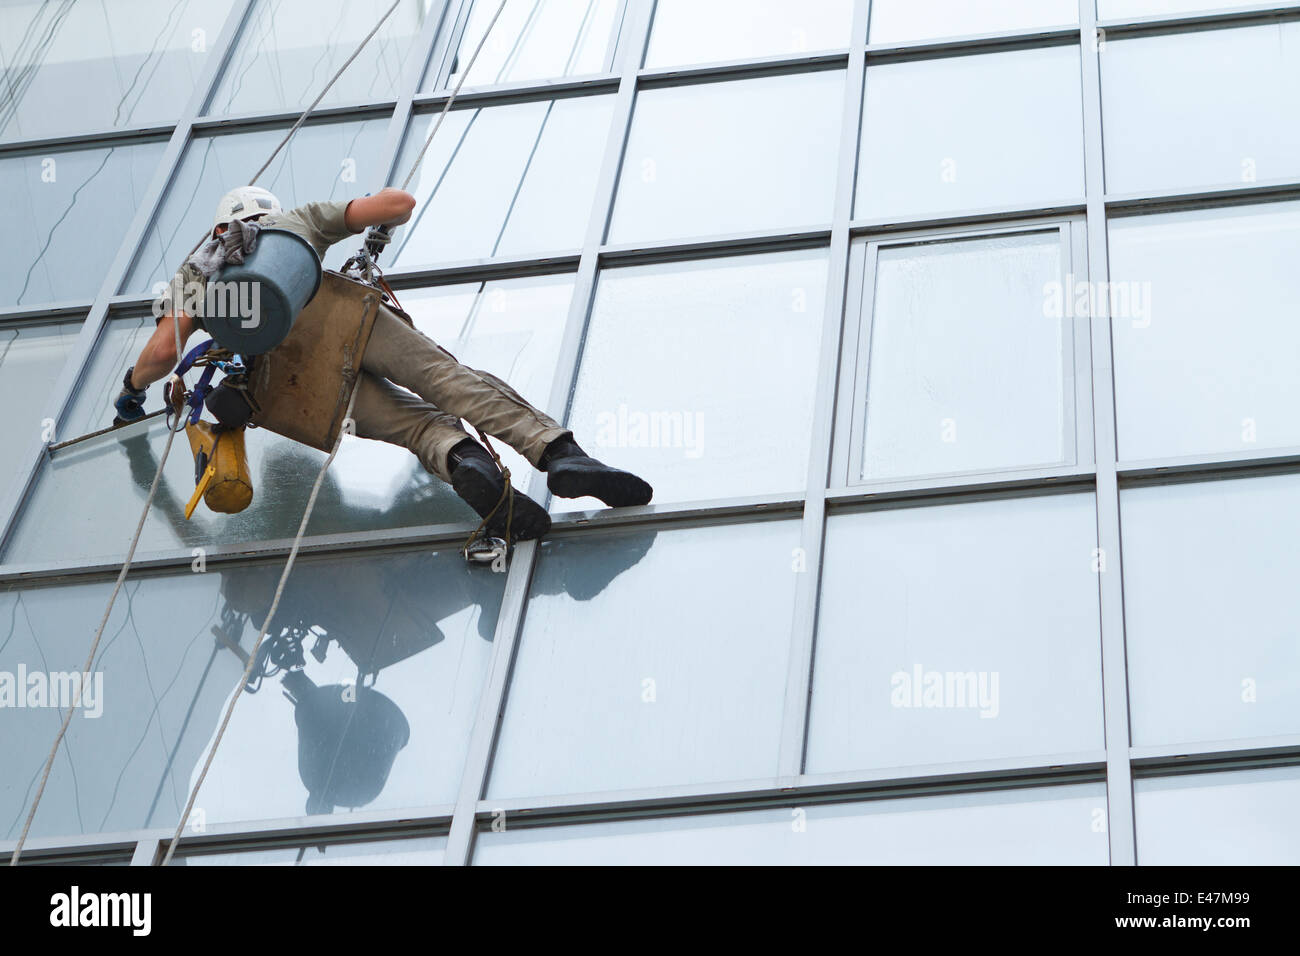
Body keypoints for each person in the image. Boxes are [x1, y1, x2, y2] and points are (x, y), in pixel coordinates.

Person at [112, 185, 652, 542]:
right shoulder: (293, 224)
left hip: (290, 386)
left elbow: (163, 354)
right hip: (339, 320)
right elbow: (399, 203)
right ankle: (559, 454)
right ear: (264, 214)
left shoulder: (197, 271)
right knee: (451, 383)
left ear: (218, 227)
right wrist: (374, 223)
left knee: (418, 428)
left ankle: (480, 478)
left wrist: (130, 393)